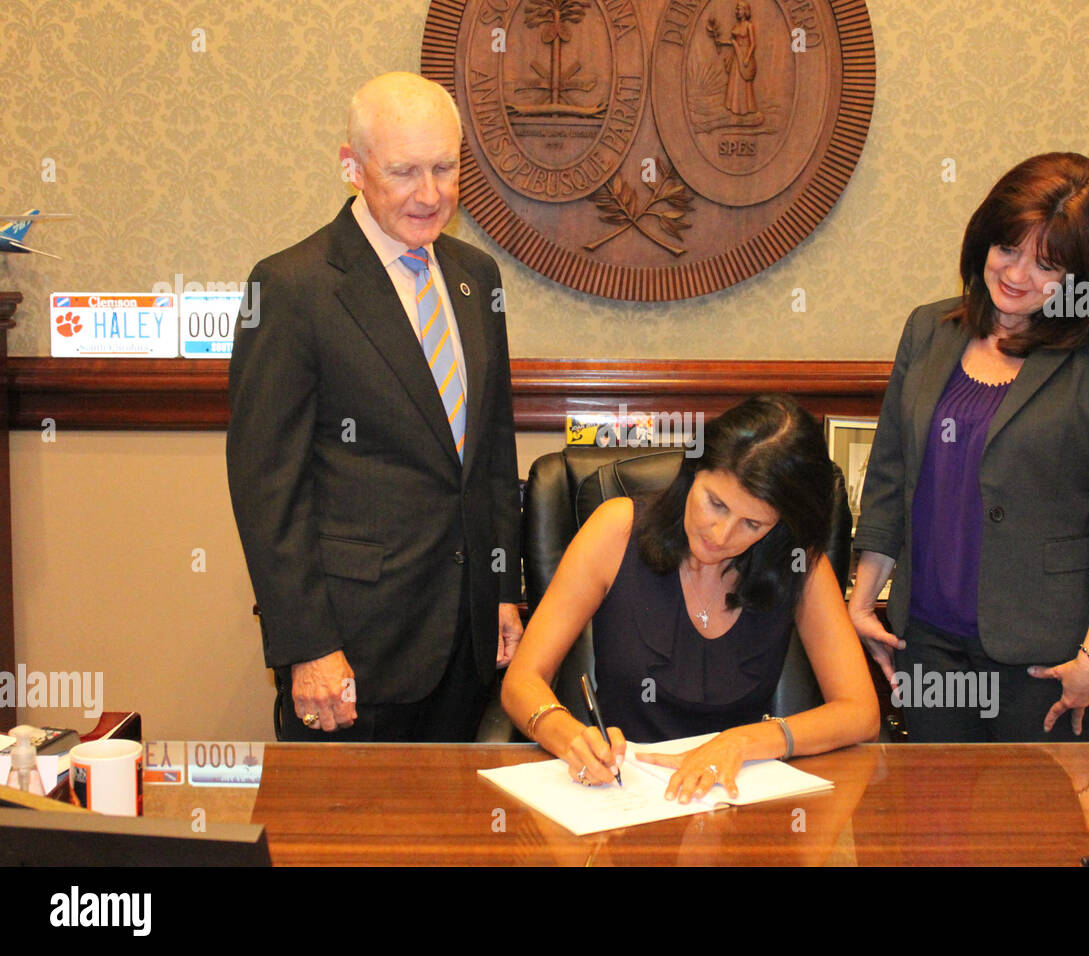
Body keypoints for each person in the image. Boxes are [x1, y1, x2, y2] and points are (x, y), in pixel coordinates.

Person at [227, 72, 522, 742]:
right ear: (351, 167)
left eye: (445, 168)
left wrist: (504, 587)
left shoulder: (478, 278)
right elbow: (266, 488)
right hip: (352, 651)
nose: (430, 194)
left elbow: (493, 453)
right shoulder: (291, 287)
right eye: (404, 172)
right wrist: (307, 646)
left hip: (468, 642)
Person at [848, 152, 1089, 743]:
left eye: (1048, 264)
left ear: (1084, 275)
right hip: (929, 645)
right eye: (1008, 248)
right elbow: (891, 478)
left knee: (1034, 832)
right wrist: (862, 604)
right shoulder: (928, 328)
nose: (1017, 275)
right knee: (929, 830)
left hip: (1045, 658)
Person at [502, 395, 879, 802]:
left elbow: (860, 712)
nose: (721, 535)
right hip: (621, 797)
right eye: (715, 503)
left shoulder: (797, 563)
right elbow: (521, 681)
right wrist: (566, 734)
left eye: (752, 523)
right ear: (693, 473)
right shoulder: (617, 530)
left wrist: (744, 742)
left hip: (733, 798)